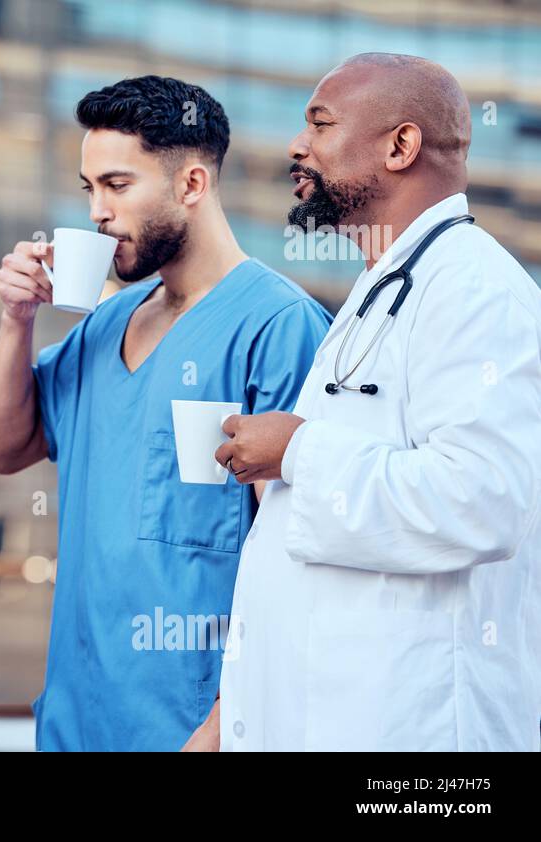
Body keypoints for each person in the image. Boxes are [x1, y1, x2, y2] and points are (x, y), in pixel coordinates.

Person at [0, 76, 331, 751]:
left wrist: (226, 723)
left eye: (116, 185)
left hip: (193, 731)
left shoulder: (280, 328)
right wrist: (16, 320)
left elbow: (306, 557)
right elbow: (1, 448)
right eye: (89, 190)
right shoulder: (103, 326)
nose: (98, 213)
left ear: (192, 185)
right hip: (76, 725)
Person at [215, 53, 541, 751]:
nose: (297, 147)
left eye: (320, 124)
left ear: (401, 146)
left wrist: (297, 451)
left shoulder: (475, 290)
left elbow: (483, 500)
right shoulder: (384, 288)